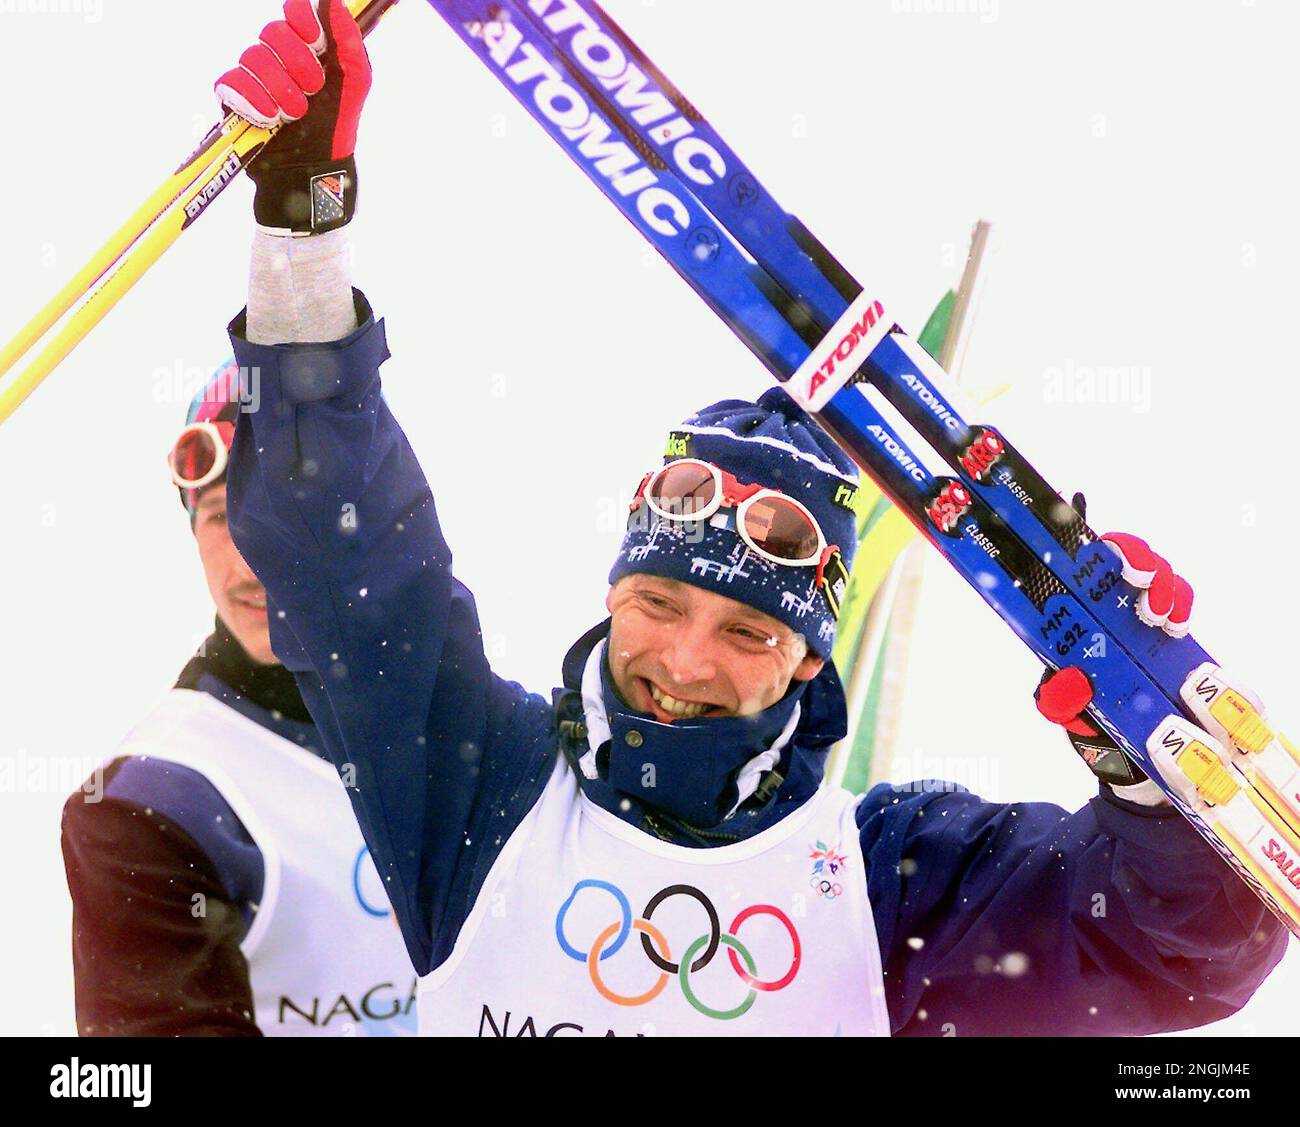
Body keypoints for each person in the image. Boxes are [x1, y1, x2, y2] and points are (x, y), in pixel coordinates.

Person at [220, 0, 1286, 1036]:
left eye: (747, 631)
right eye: (658, 601)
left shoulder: (888, 883)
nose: (683, 662)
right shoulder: (478, 785)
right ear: (610, 590)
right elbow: (337, 547)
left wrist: (1146, 756)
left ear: (808, 659)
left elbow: (1168, 950)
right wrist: (301, 223)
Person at [60, 359, 417, 1037]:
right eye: (222, 517)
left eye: (282, 516)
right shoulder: (149, 800)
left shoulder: (452, 714)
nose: (248, 565)